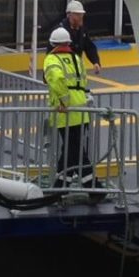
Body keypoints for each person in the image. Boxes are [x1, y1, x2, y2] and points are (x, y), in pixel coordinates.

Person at [43, 25, 92, 185]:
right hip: (81, 108)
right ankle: (63, 184)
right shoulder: (76, 58)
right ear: (68, 43)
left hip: (66, 111)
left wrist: (64, 101)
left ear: (52, 44)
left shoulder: (52, 59)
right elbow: (83, 81)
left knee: (74, 150)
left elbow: (56, 80)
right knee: (72, 149)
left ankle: (91, 184)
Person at [53, 0, 102, 75]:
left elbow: (89, 47)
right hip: (62, 71)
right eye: (77, 14)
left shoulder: (82, 30)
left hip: (77, 70)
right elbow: (51, 52)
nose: (80, 17)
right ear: (69, 15)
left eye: (81, 14)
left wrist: (95, 62)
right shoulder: (60, 31)